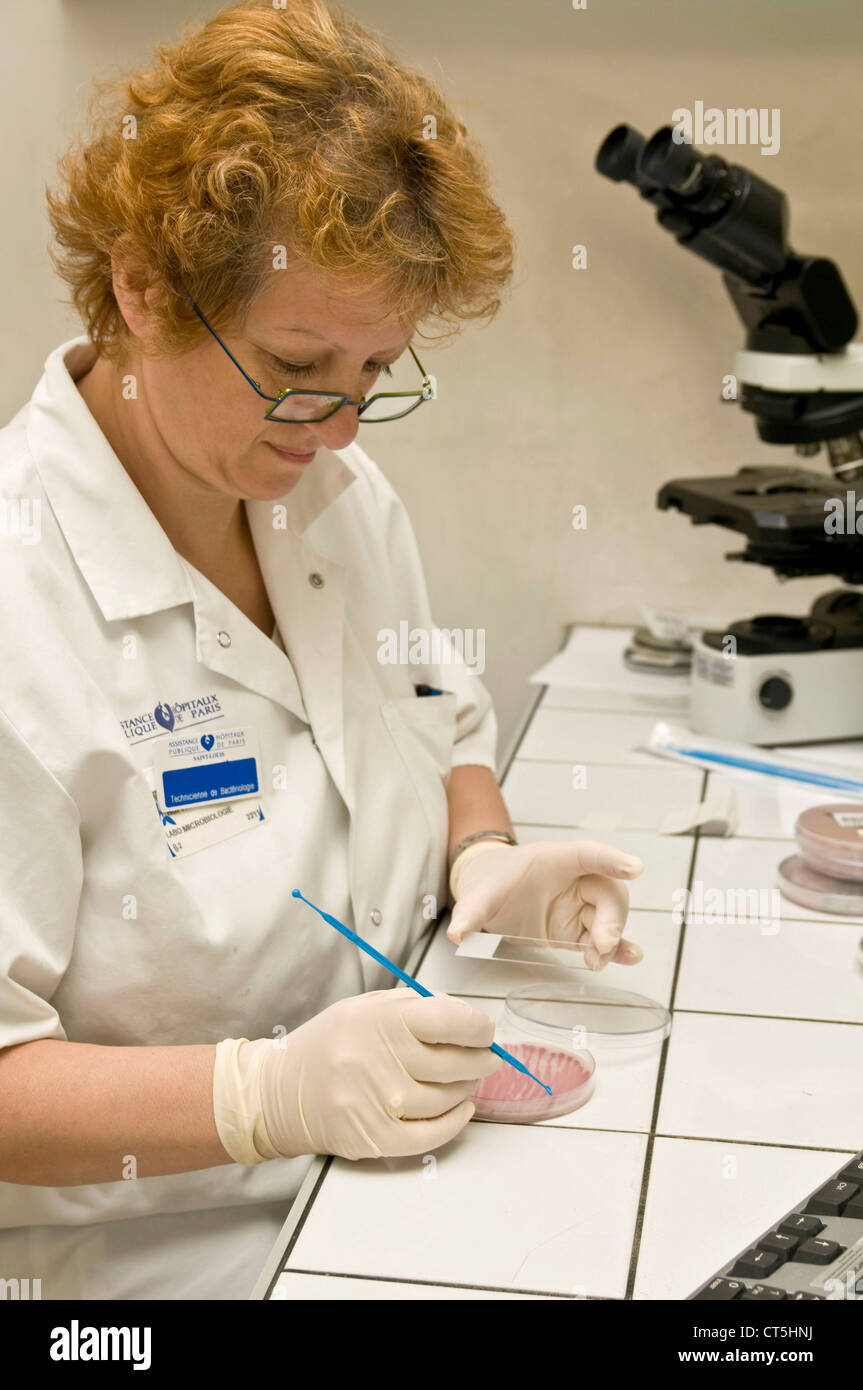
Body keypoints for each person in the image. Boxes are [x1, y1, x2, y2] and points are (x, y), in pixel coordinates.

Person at [0, 0, 644, 1300]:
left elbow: (444, 728)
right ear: (142, 284)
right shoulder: (22, 600)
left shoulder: (335, 505)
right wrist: (261, 1093)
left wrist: (485, 856)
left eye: (376, 372)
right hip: (138, 1269)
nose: (342, 428)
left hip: (391, 1190)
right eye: (299, 365)